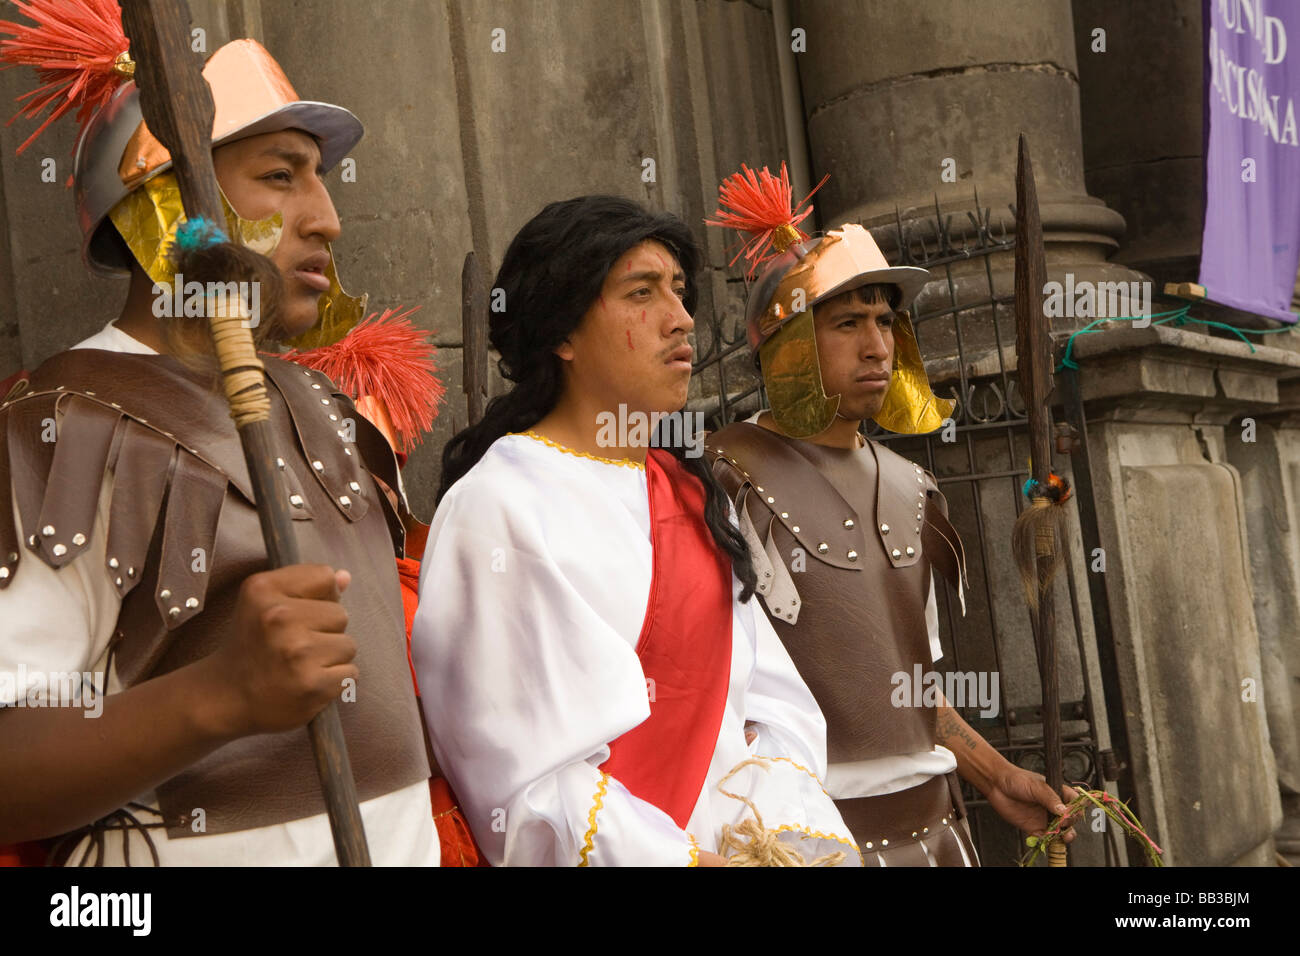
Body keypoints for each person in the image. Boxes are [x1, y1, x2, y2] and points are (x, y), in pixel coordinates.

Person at [0, 9, 436, 866]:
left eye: (320, 178)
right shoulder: (64, 418)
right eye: (282, 176)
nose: (325, 219)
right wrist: (219, 695)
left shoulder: (324, 405)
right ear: (163, 204)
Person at [411, 195, 858, 867]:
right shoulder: (499, 504)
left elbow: (773, 707)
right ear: (562, 332)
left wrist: (770, 846)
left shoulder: (696, 492)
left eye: (679, 292)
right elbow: (519, 775)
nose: (680, 320)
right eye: (641, 293)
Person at [704, 164, 1076, 866]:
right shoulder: (722, 479)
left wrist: (998, 776)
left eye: (884, 321)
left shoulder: (914, 485)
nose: (877, 345)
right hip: (801, 845)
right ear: (785, 346)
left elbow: (913, 687)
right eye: (847, 323)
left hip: (940, 834)